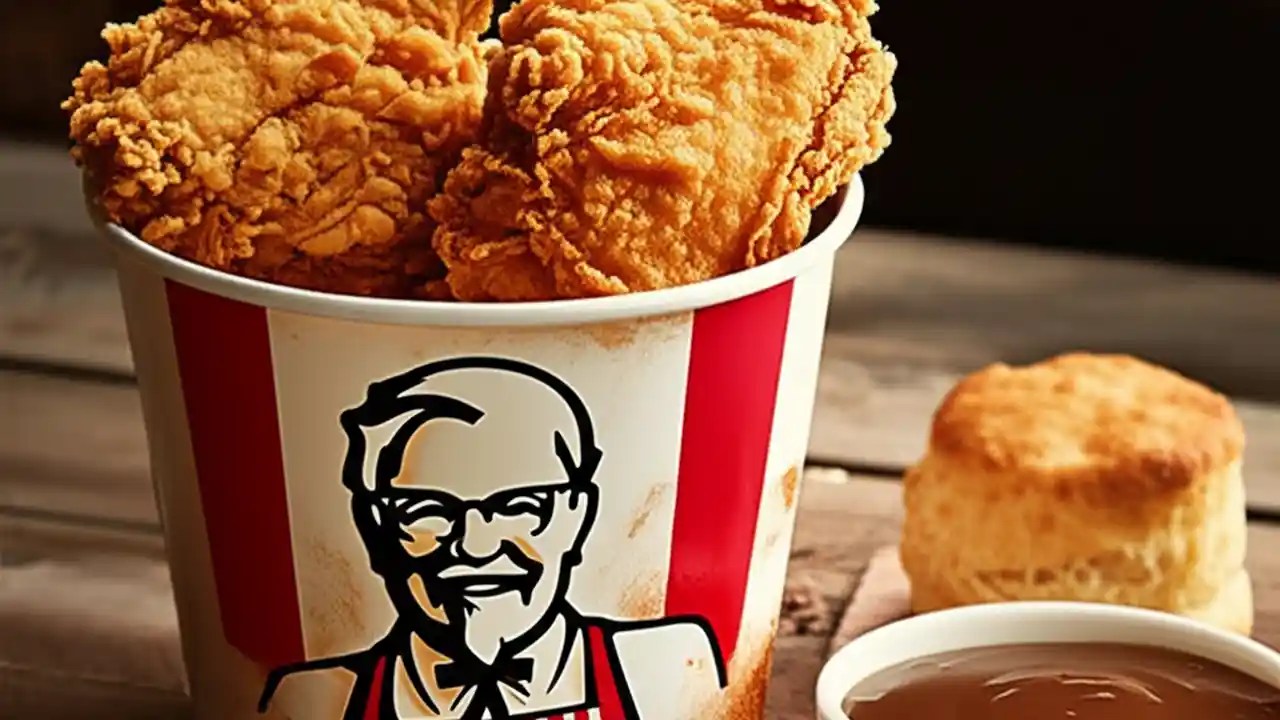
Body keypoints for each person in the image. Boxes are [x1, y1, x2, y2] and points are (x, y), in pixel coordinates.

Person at [260, 357, 726, 719]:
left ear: (577, 516)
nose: (477, 546)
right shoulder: (317, 696)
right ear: (375, 529)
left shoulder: (664, 661)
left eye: (520, 508)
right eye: (428, 513)